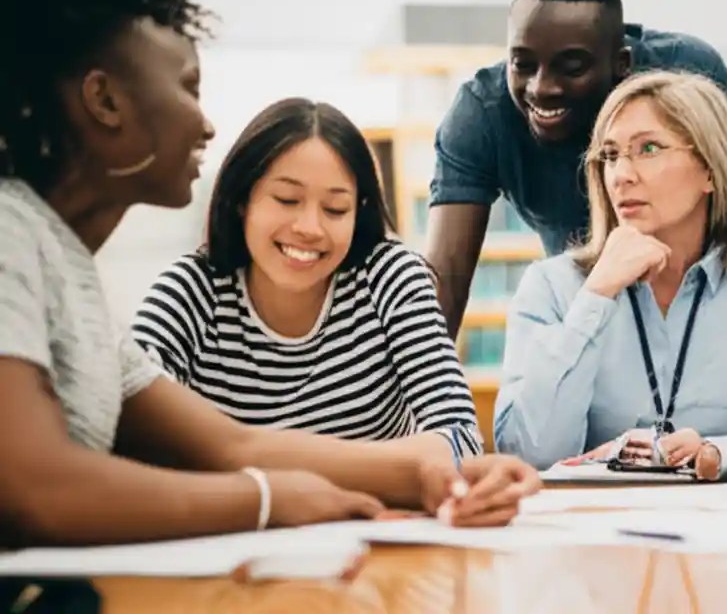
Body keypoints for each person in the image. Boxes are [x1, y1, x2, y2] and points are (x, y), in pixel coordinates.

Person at [0, 0, 536, 547]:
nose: (205, 123)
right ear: (105, 100)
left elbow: (233, 444)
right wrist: (266, 500)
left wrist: (430, 475)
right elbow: (37, 490)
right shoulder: (11, 232)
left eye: (335, 208)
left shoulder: (67, 273)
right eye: (188, 86)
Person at [427, 0, 727, 339]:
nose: (541, 88)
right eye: (523, 64)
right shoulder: (482, 116)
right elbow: (443, 290)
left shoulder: (688, 75)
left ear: (622, 64)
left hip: (705, 323)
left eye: (572, 67)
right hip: (585, 320)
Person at [493, 71, 727, 480]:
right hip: (597, 518)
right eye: (610, 155)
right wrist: (596, 296)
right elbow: (527, 453)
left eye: (648, 149)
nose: (621, 175)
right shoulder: (552, 287)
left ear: (710, 169)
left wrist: (714, 453)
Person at [132, 98, 481, 458]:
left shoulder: (389, 278)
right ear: (241, 200)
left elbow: (460, 436)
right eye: (286, 200)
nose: (310, 228)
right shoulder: (191, 292)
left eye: (335, 209)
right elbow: (125, 422)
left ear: (358, 213)